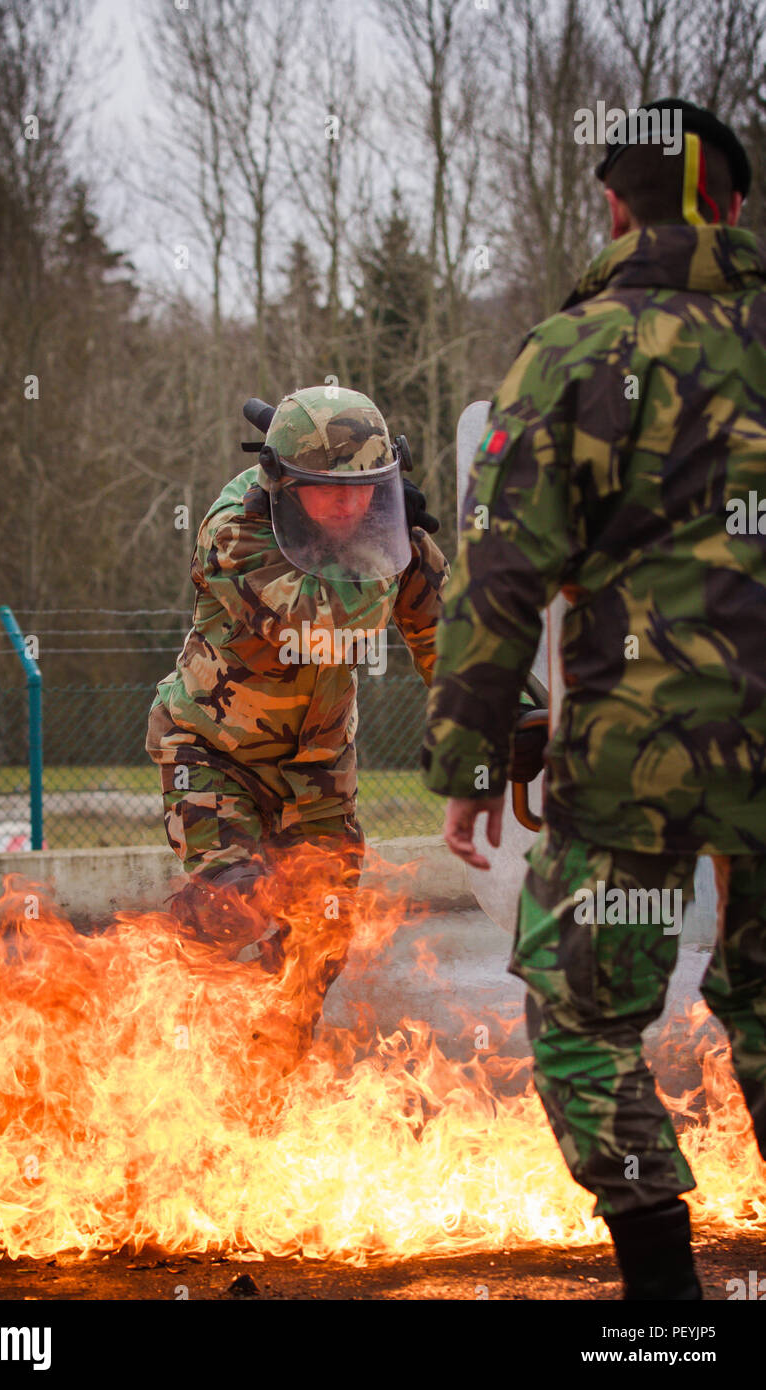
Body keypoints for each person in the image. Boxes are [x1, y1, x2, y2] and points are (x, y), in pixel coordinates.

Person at [421, 99, 766, 1300]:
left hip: (635, 765)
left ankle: (665, 1304)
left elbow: (498, 564)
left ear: (613, 206)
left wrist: (469, 756)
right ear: (728, 205)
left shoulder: (573, 352)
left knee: (582, 1025)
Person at [146, 385, 448, 1017]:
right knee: (234, 905)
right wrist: (388, 538)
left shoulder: (381, 533)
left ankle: (272, 1090)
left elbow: (448, 641)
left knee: (317, 946)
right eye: (328, 487)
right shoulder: (236, 530)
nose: (348, 502)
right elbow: (320, 625)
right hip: (214, 753)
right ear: (281, 478)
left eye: (368, 486)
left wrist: (506, 719)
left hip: (319, 770)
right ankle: (164, 1014)